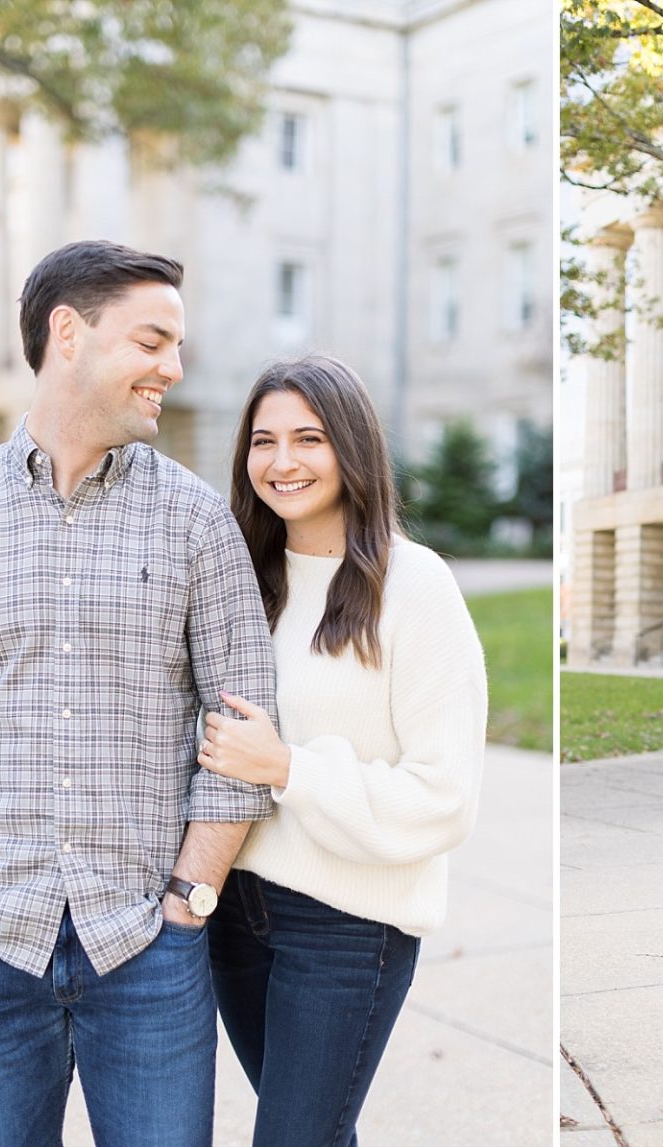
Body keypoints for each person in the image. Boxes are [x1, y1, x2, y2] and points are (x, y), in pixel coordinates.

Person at [0, 240, 276, 1146]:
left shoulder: (196, 520)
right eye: (151, 340)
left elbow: (245, 730)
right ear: (69, 332)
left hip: (149, 951)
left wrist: (187, 908)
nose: (173, 366)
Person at [196, 354, 487, 1146]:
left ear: (351, 447)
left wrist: (287, 768)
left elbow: (445, 795)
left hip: (348, 924)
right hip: (233, 910)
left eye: (308, 438)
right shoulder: (242, 581)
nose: (282, 461)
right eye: (263, 440)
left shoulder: (414, 586)